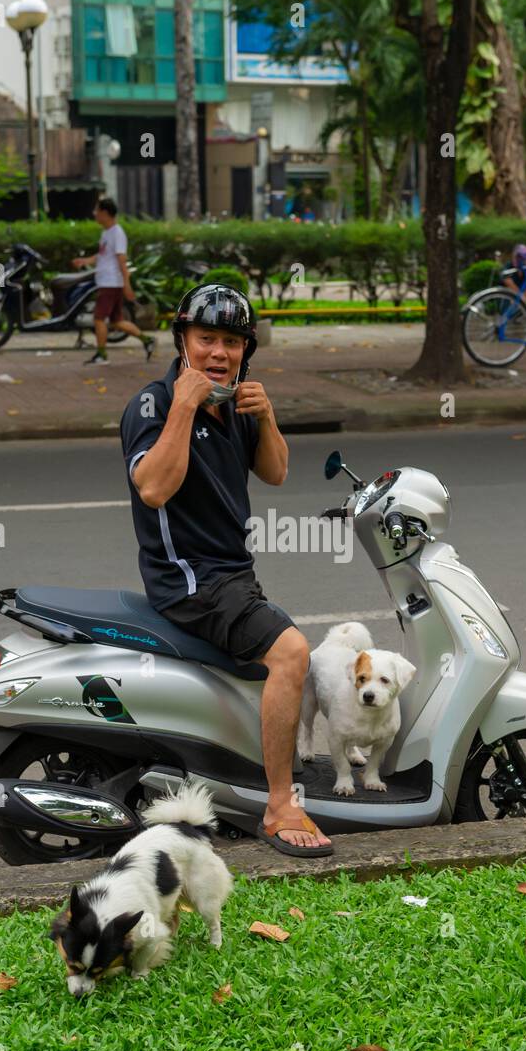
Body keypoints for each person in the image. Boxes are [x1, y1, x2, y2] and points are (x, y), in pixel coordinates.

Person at [120, 283, 333, 857]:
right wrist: (185, 406)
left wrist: (267, 418)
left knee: (276, 661)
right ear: (183, 341)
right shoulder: (154, 404)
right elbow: (154, 488)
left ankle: (235, 774)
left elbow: (277, 472)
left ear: (247, 350)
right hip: (191, 580)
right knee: (290, 652)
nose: (219, 352)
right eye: (206, 338)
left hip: (232, 576)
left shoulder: (235, 403)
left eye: (233, 342)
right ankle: (280, 805)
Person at [72, 197, 155, 365]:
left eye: (97, 211)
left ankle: (102, 355)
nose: (95, 214)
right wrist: (86, 261)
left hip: (111, 282)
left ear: (105, 213)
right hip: (108, 281)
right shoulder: (106, 233)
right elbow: (103, 255)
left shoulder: (117, 233)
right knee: (117, 321)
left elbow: (121, 259)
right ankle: (147, 340)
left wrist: (127, 284)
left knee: (99, 318)